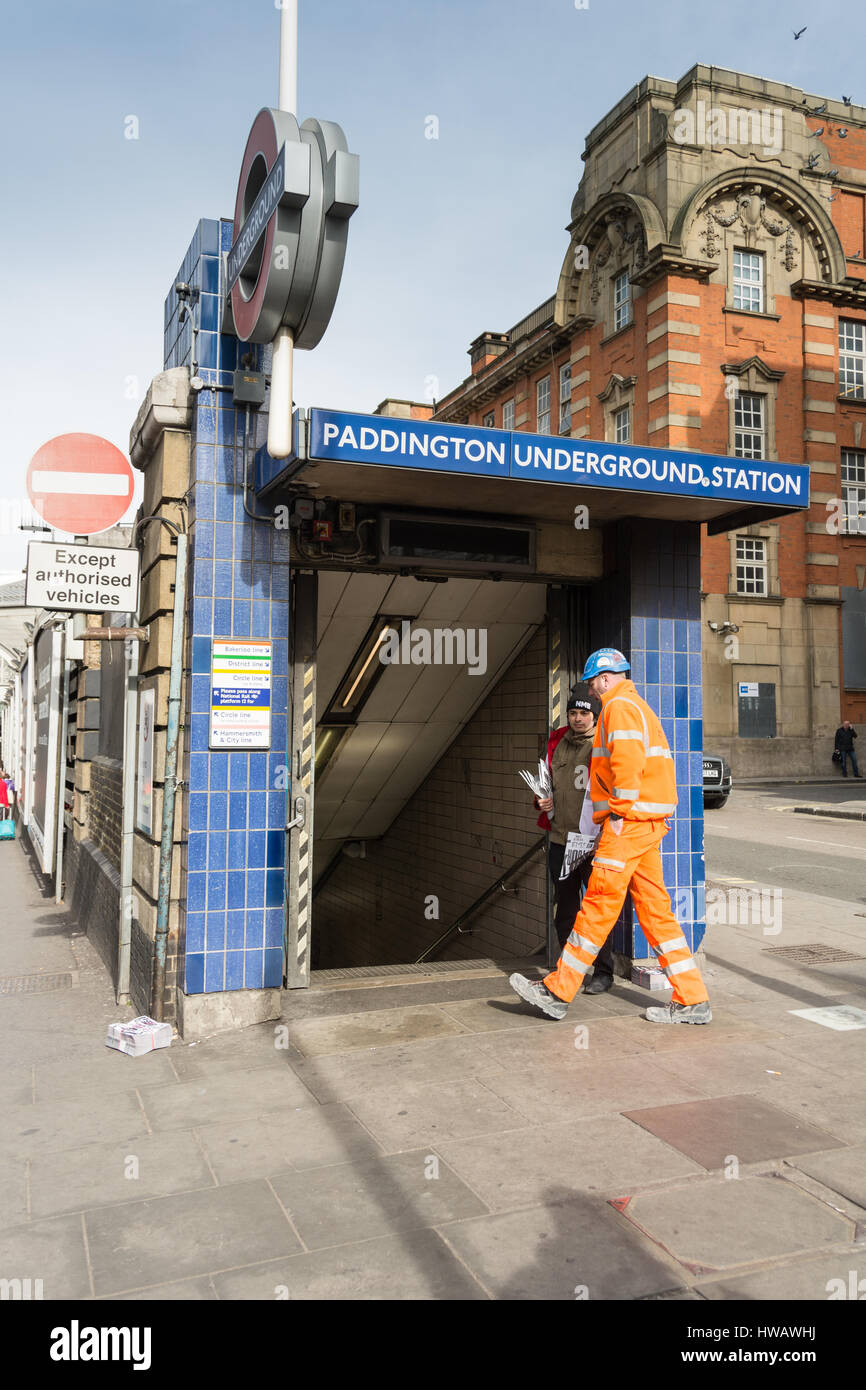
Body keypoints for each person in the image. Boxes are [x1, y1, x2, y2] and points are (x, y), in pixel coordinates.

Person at [510, 647, 712, 1025]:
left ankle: (556, 991)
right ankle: (693, 998)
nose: (593, 691)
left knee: (598, 904)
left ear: (604, 677)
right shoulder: (639, 706)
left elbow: (628, 763)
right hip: (648, 825)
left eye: (593, 683)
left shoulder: (619, 707)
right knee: (656, 912)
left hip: (629, 824)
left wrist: (618, 813)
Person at [533, 681, 615, 993]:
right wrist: (542, 801)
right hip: (559, 841)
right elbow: (546, 784)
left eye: (584, 712)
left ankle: (604, 972)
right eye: (572, 712)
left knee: (596, 912)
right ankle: (570, 971)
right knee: (565, 910)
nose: (577, 718)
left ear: (595, 715)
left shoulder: (604, 744)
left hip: (594, 843)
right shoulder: (557, 743)